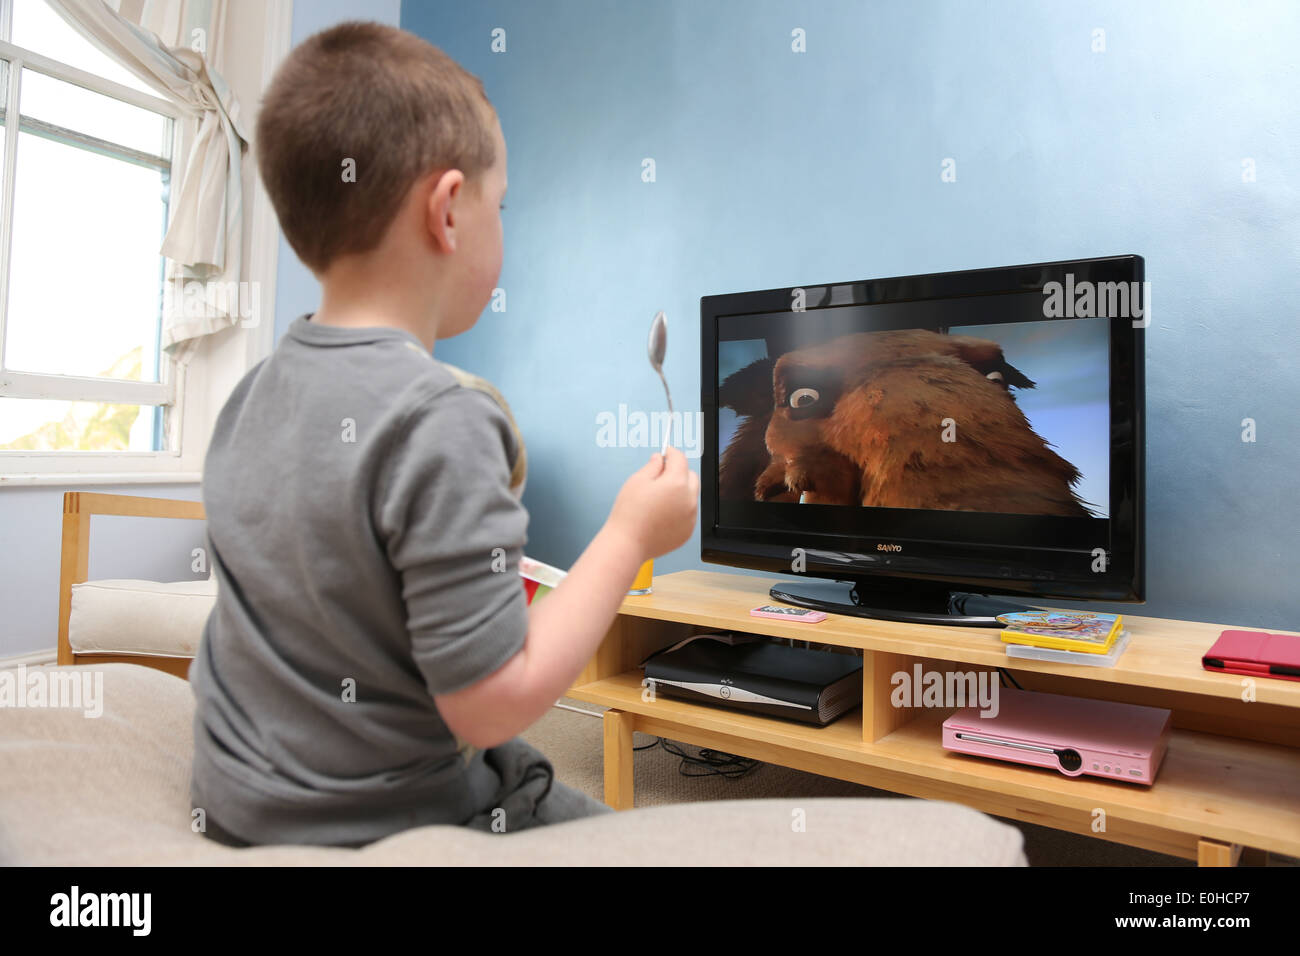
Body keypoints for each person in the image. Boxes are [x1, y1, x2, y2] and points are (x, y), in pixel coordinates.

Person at [189, 21, 698, 848]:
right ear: (448, 211)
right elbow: (494, 699)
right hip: (390, 825)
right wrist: (629, 534)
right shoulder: (446, 419)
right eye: (501, 206)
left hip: (242, 809)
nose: (504, 227)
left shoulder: (251, 394)